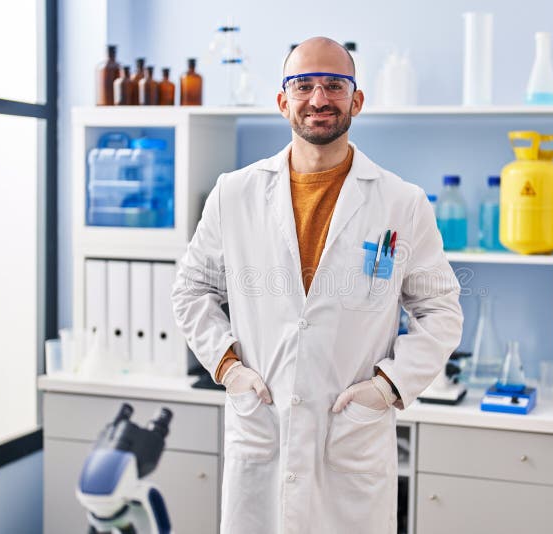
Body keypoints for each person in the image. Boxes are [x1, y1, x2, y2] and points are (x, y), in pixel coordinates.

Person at [171, 36, 462, 534]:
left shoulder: (401, 202)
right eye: (303, 85)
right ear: (283, 100)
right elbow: (192, 290)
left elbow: (441, 310)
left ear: (357, 100)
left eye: (335, 85)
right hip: (262, 426)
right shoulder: (234, 193)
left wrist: (388, 387)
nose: (319, 98)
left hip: (350, 439)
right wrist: (228, 368)